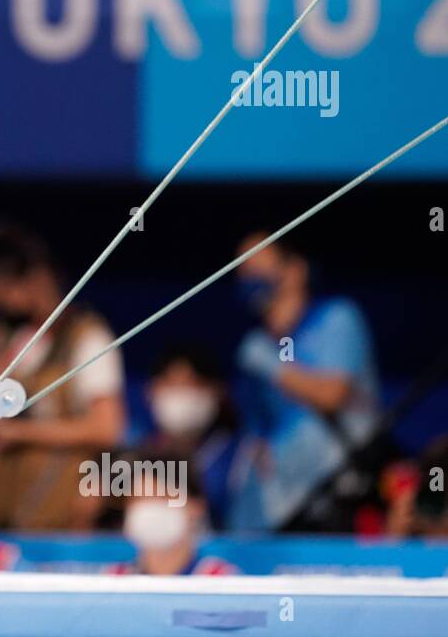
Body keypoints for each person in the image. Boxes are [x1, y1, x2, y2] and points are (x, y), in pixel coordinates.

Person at [0, 222, 126, 531]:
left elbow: (107, 427)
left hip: (62, 513)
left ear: (39, 278)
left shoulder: (87, 337)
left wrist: (23, 433)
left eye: (6, 289)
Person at [227, 232, 380, 532]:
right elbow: (257, 427)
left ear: (295, 270)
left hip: (339, 492)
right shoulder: (256, 344)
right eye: (243, 271)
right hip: (281, 504)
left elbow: (332, 394)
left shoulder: (336, 318)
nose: (251, 279)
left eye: (260, 267)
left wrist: (275, 365)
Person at [141, 343, 240, 530]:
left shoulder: (242, 455)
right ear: (150, 390)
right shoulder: (135, 455)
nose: (181, 395)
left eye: (192, 384)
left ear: (217, 391)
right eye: (171, 384)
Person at [107, 452, 238, 576]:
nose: (151, 508)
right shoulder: (114, 580)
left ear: (196, 506)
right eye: (140, 498)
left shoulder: (222, 581)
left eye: (164, 496)